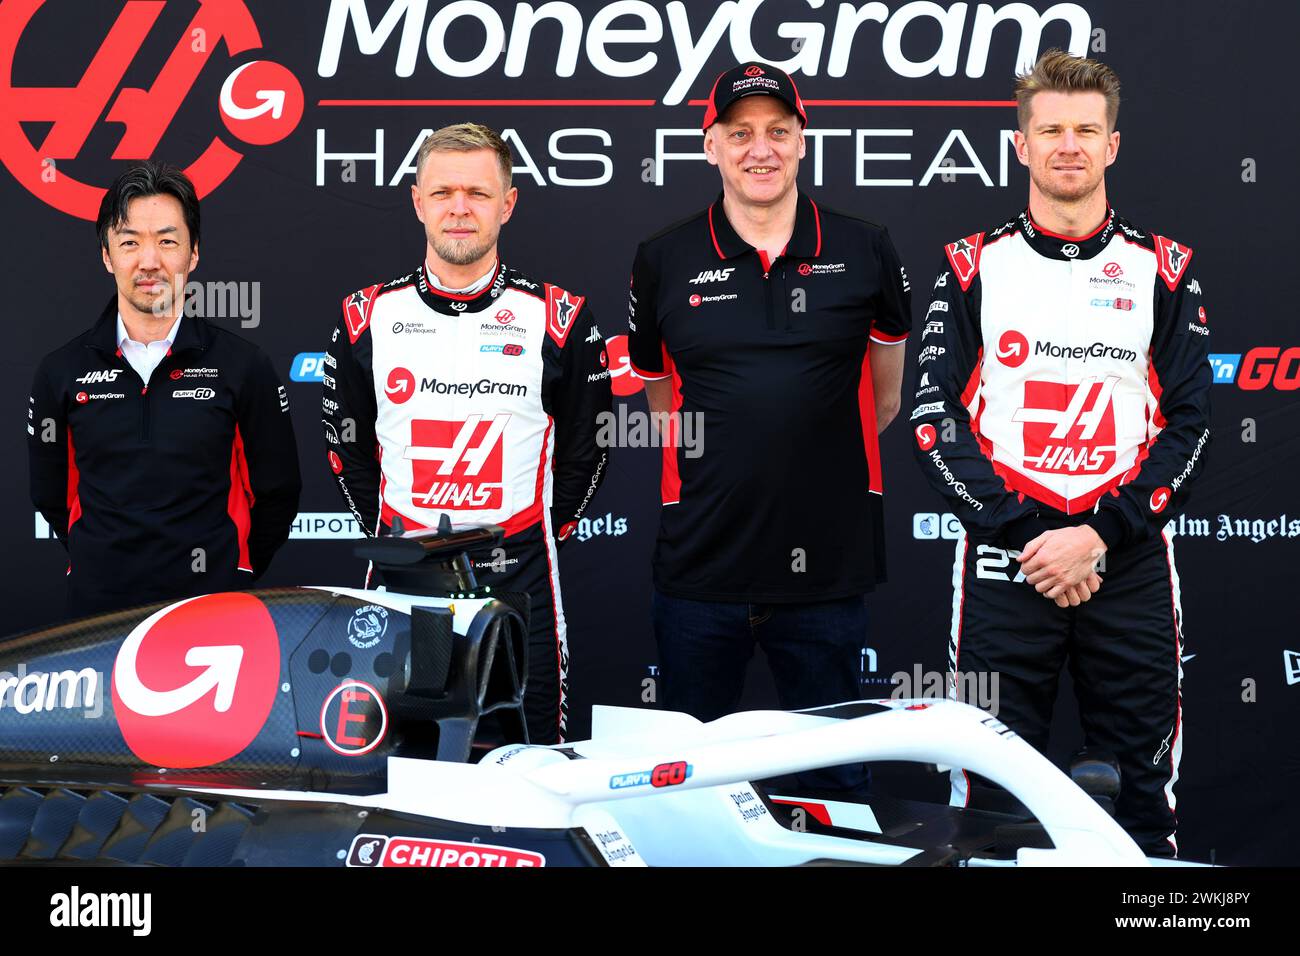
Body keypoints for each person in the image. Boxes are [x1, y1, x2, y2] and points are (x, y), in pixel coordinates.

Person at [909, 50, 1211, 856]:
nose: (1068, 145)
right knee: (988, 804)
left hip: (1128, 559)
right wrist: (1027, 536)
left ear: (1112, 145)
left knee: (1144, 799)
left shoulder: (1165, 270)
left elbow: (1191, 426)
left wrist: (1099, 536)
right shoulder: (970, 267)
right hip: (1011, 562)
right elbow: (932, 421)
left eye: (1086, 129)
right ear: (1022, 145)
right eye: (1051, 130)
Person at [626, 62, 912, 782]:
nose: (762, 148)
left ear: (802, 142)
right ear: (711, 145)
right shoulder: (663, 257)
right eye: (741, 132)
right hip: (700, 572)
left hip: (826, 574)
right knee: (683, 788)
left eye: (778, 132)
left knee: (839, 788)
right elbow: (663, 400)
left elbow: (882, 401)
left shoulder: (865, 246)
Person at [323, 123, 611, 745]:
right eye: (444, 192)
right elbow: (347, 448)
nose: (460, 209)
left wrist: (537, 530)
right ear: (418, 201)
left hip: (521, 573)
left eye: (478, 194)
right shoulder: (367, 316)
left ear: (507, 204)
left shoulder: (557, 317)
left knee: (529, 758)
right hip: (407, 577)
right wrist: (396, 532)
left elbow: (589, 450)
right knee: (403, 762)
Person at [28, 161, 301, 618]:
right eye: (130, 242)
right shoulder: (60, 371)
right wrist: (98, 564)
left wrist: (232, 573)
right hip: (96, 619)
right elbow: (52, 497)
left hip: (214, 612)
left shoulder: (243, 365)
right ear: (106, 255)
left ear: (193, 254)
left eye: (167, 241)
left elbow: (277, 493)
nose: (149, 261)